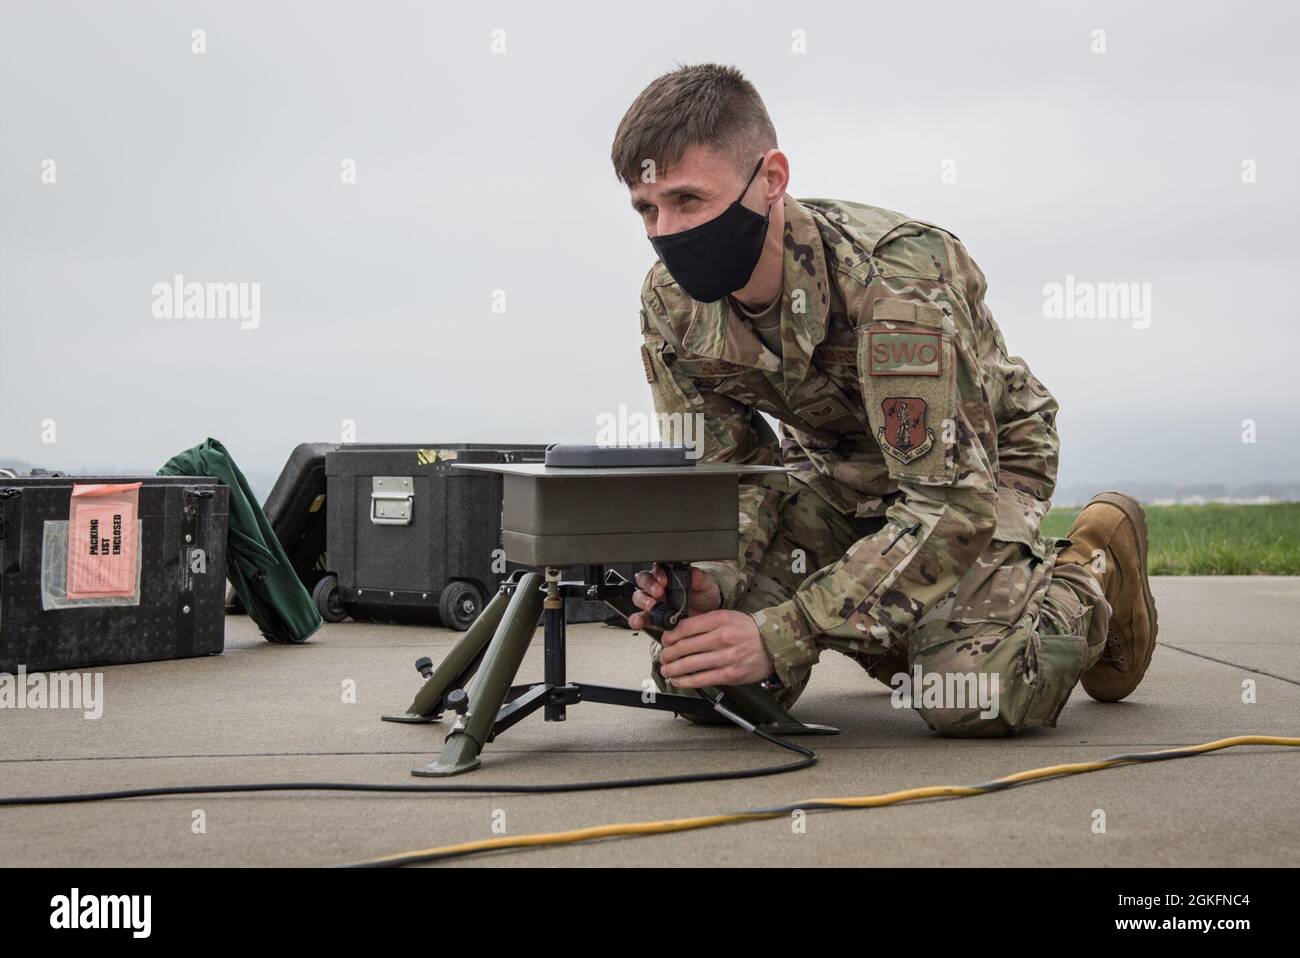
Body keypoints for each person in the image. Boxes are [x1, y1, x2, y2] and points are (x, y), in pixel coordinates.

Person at [611, 64, 1157, 735]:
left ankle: (1090, 566)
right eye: (646, 207)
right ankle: (899, 634)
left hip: (978, 467)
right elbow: (733, 471)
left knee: (969, 695)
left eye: (689, 200)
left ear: (771, 180)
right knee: (701, 685)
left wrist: (788, 630)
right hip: (840, 473)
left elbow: (949, 503)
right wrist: (714, 580)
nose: (666, 230)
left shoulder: (894, 282)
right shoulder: (671, 304)